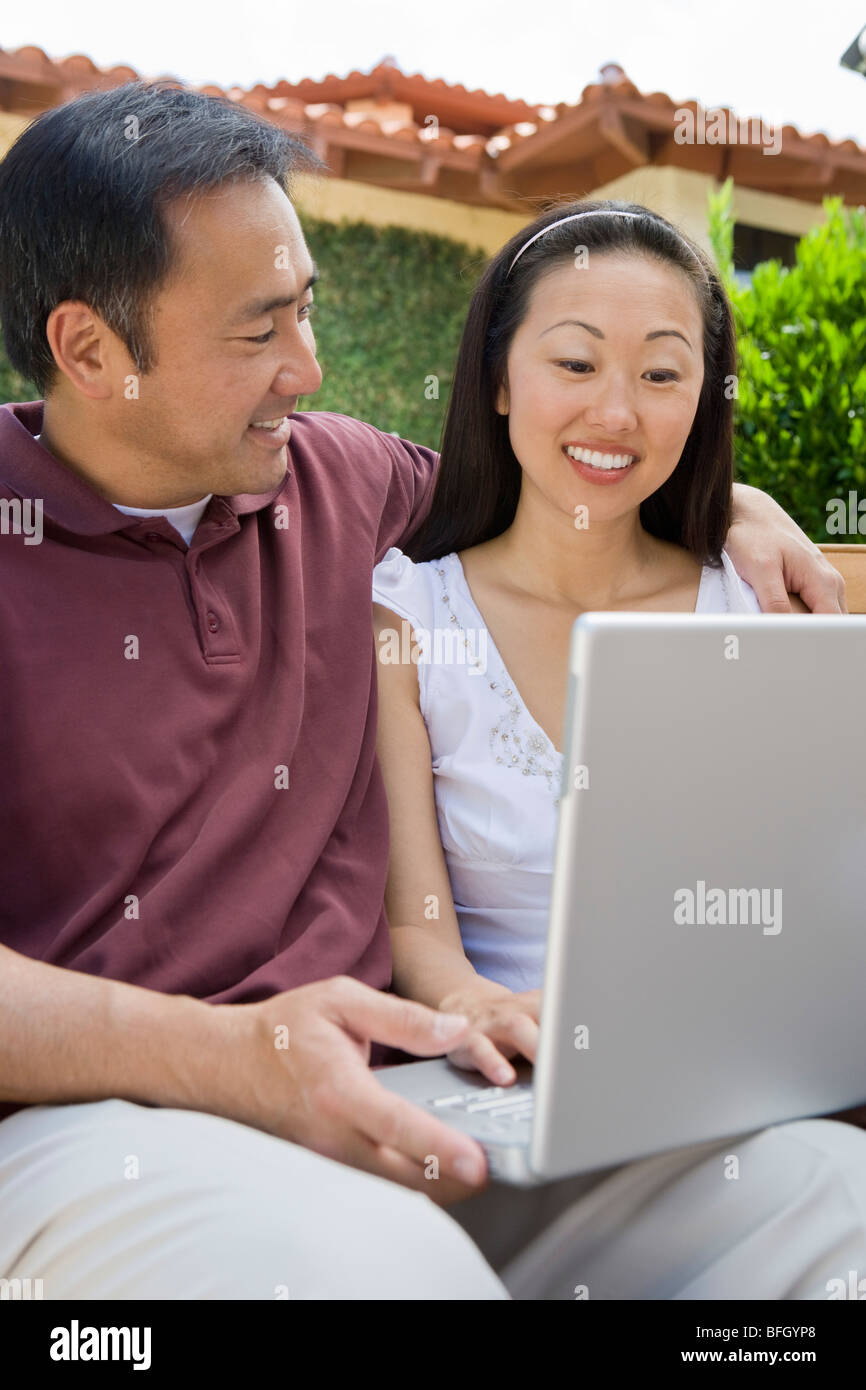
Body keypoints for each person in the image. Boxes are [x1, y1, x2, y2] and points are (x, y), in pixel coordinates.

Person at [0, 83, 860, 1301]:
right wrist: (234, 1055)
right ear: (89, 350)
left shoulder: (343, 480)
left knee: (832, 1209)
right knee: (381, 1274)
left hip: (413, 1110)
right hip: (100, 1129)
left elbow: (573, 471)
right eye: (258, 333)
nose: (309, 366)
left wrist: (736, 507)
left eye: (306, 308)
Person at [371, 198, 802, 1079]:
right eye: (575, 361)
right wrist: (475, 1006)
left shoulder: (758, 611)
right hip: (510, 1082)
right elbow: (416, 928)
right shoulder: (410, 618)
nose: (616, 413)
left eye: (661, 375)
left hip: (729, 1073)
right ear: (497, 379)